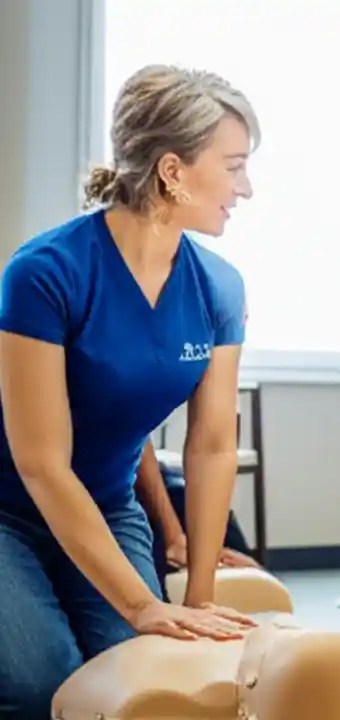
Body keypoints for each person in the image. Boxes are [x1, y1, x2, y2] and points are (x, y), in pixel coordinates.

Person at [0, 64, 258, 718]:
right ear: (173, 170)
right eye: (233, 167)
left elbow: (213, 444)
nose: (245, 188)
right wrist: (142, 602)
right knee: (39, 681)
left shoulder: (219, 287)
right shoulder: (45, 273)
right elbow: (41, 462)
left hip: (110, 506)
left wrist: (195, 599)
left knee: (146, 675)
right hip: (7, 510)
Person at [134, 439, 259, 598]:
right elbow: (138, 446)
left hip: (153, 470)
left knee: (199, 505)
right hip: (113, 478)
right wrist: (174, 538)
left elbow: (213, 448)